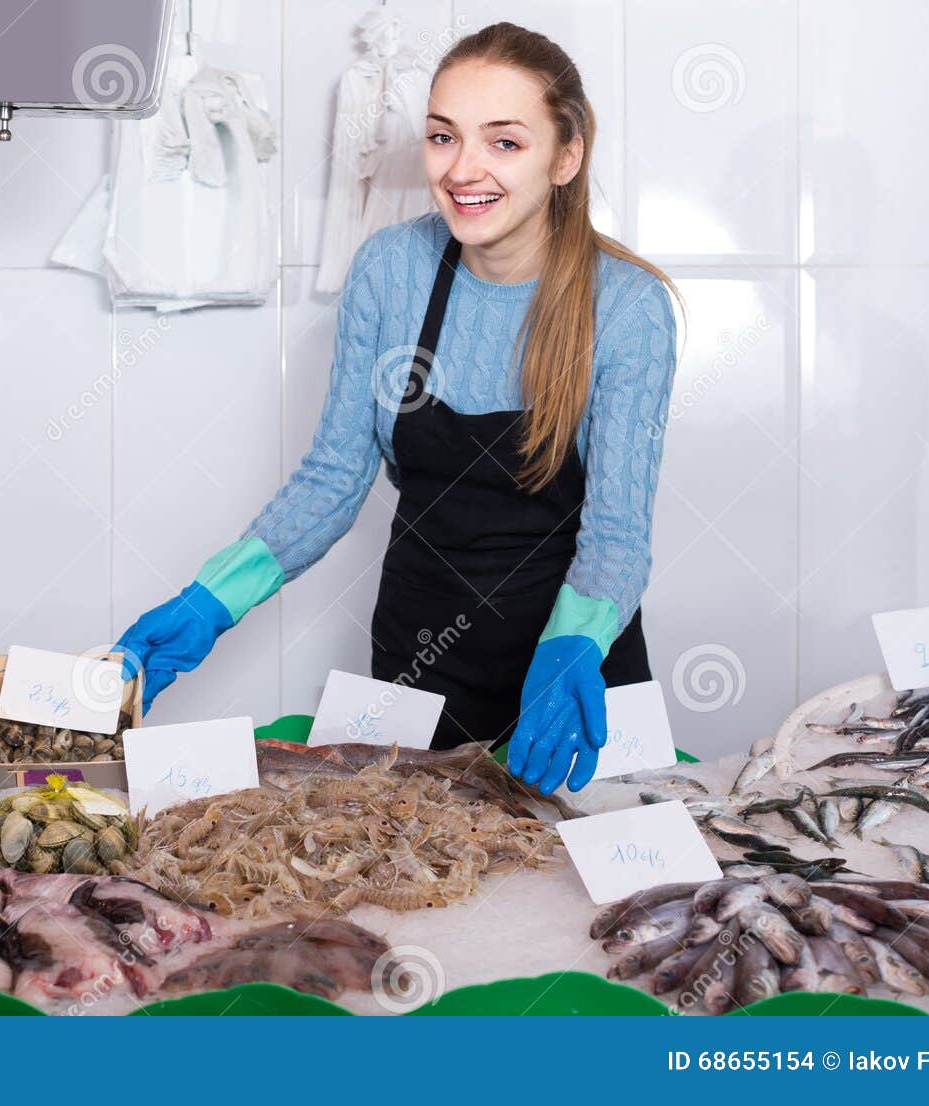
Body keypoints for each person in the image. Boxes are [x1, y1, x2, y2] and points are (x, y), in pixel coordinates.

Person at [114, 22, 681, 794]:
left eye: (504, 143)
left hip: (572, 669)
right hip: (421, 658)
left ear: (567, 155)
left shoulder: (628, 305)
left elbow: (617, 531)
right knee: (417, 895)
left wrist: (575, 646)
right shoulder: (390, 271)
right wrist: (212, 599)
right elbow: (333, 477)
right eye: (444, 137)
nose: (464, 169)